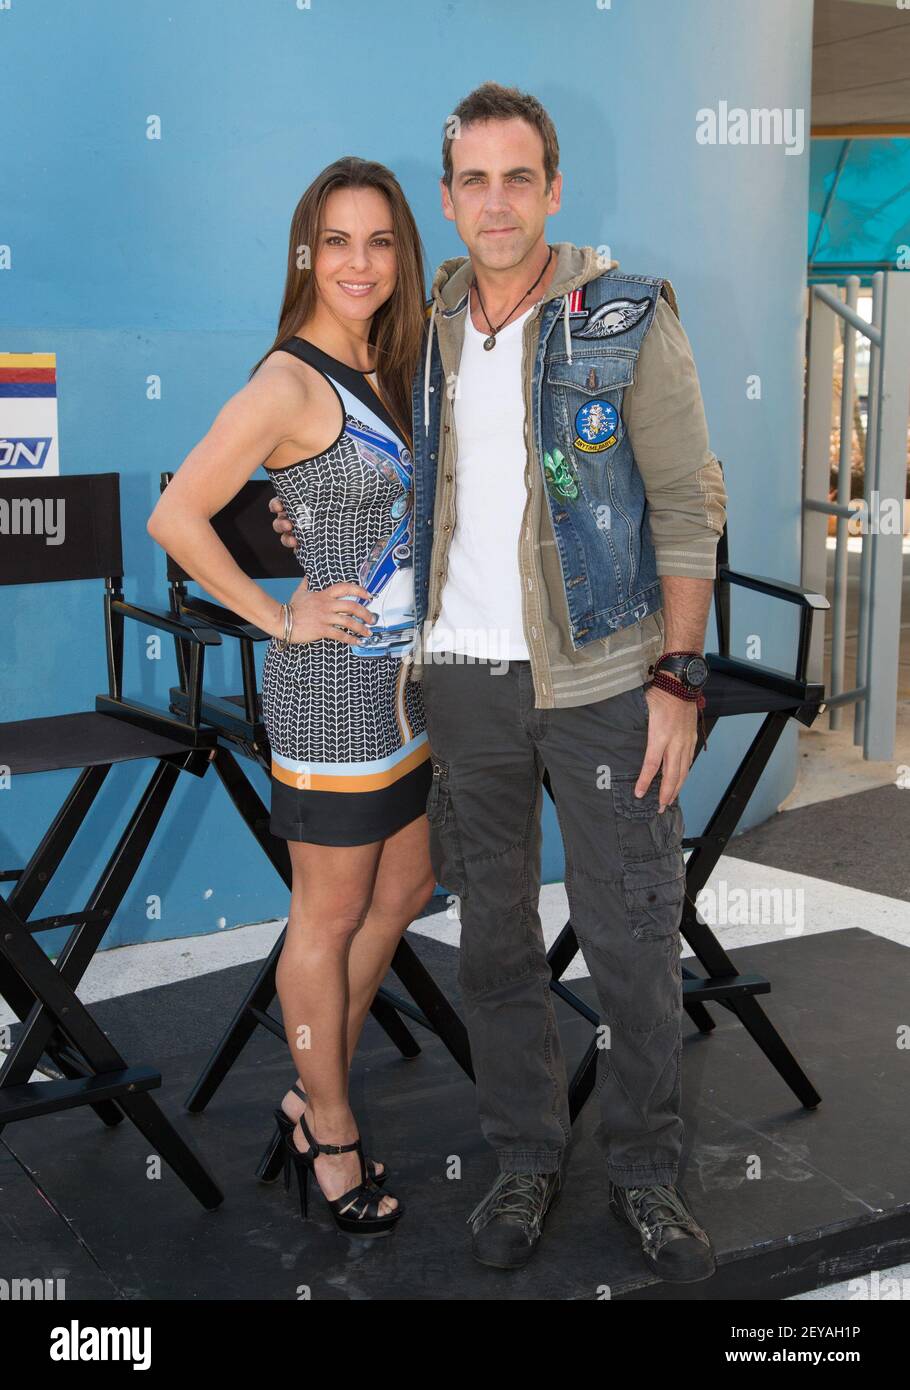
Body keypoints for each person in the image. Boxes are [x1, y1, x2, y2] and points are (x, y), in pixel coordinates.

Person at [274, 84, 728, 1283]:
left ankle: (645, 1172)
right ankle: (525, 1158)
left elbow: (689, 504)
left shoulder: (624, 317)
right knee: (493, 946)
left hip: (604, 681)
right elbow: (357, 457)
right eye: (472, 180)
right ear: (447, 198)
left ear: (553, 190)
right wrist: (297, 521)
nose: (495, 202)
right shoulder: (420, 325)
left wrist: (679, 675)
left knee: (632, 941)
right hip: (463, 684)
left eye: (516, 177)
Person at [148, 157, 436, 1237]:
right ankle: (332, 1128)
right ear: (306, 255)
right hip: (331, 695)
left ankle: (314, 1090)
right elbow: (176, 516)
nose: (360, 263)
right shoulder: (287, 380)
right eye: (338, 241)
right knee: (327, 916)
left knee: (405, 888)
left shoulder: (390, 362)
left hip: (410, 689)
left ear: (401, 254)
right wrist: (279, 616)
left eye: (380, 241)